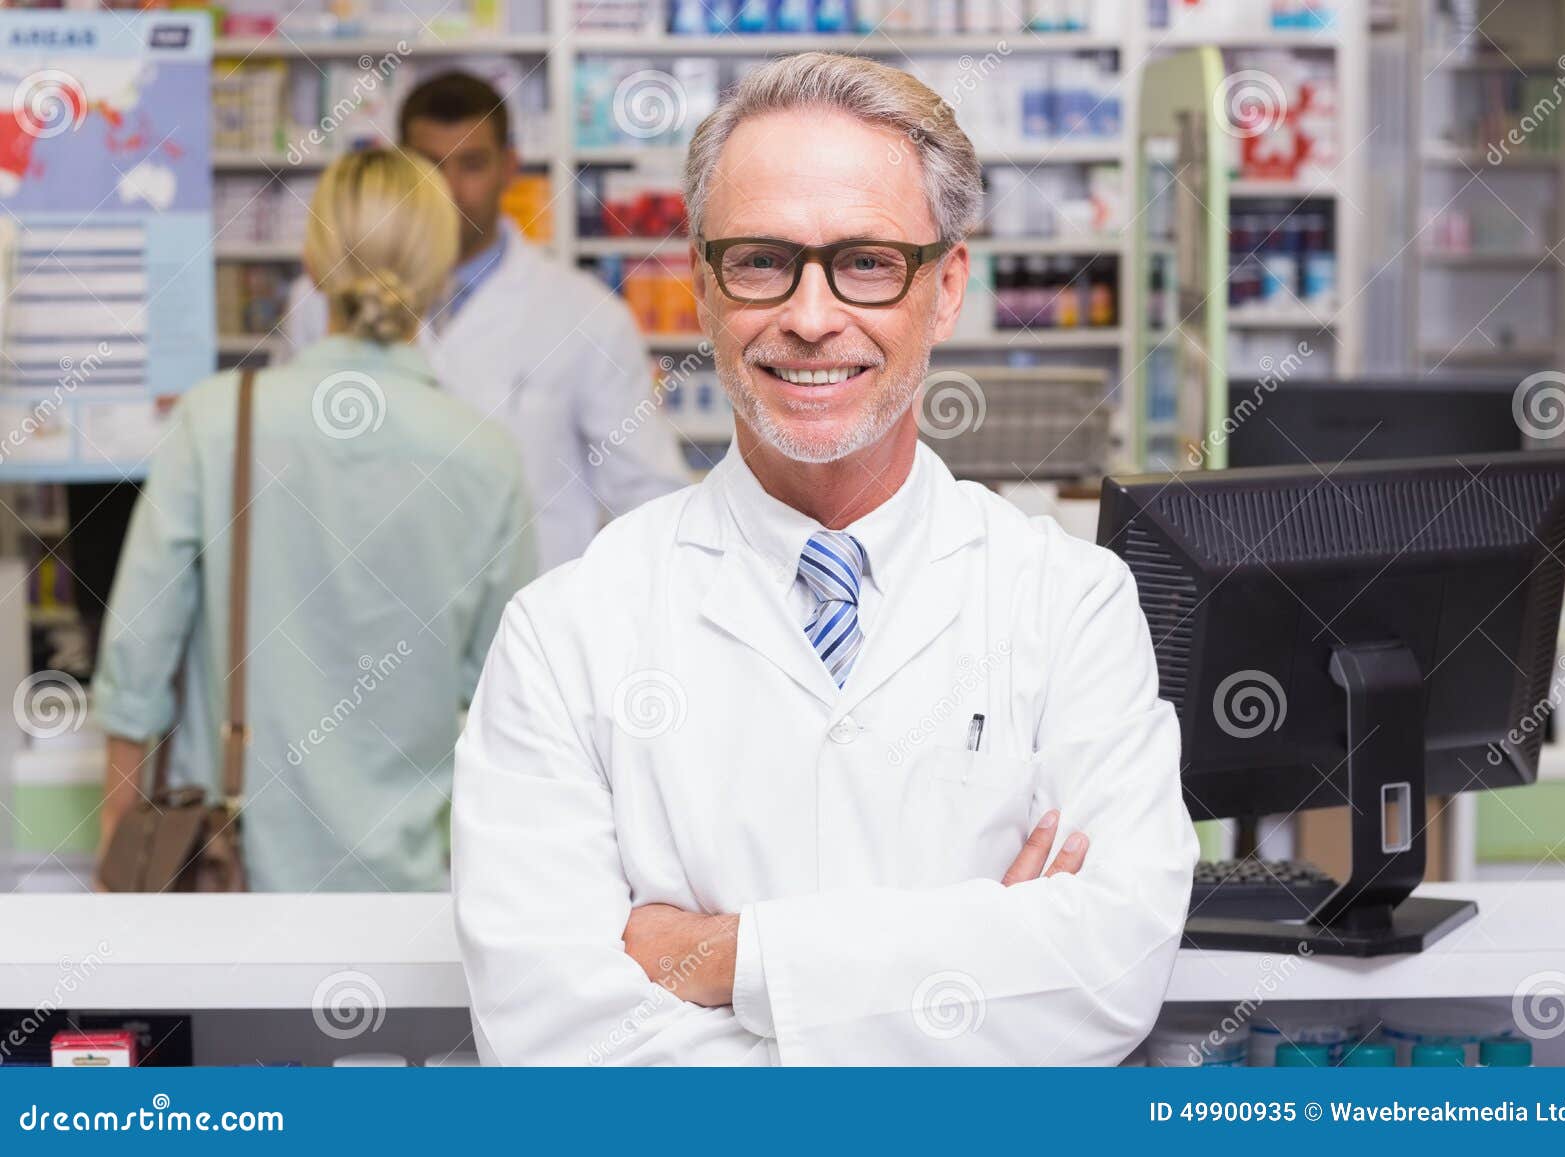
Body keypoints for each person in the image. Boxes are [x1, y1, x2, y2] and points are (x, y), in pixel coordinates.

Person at [452, 54, 1197, 1064]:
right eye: (762, 260)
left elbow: (1106, 973)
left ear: (945, 287)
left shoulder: (1070, 602)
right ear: (704, 289)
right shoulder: (567, 631)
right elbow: (554, 1041)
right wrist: (980, 960)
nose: (810, 317)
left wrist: (724, 956)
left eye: (866, 261)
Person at [95, 150, 535, 892]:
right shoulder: (485, 455)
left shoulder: (218, 421)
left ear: (313, 256)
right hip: (415, 892)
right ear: (441, 266)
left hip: (233, 879)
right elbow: (513, 703)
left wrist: (118, 844)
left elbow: (139, 651)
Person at [282, 71, 687, 571]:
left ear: (509, 167)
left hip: (530, 619)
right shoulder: (322, 300)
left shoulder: (587, 315)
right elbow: (290, 468)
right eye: (431, 166)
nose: (451, 191)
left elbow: (648, 496)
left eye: (471, 165)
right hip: (366, 606)